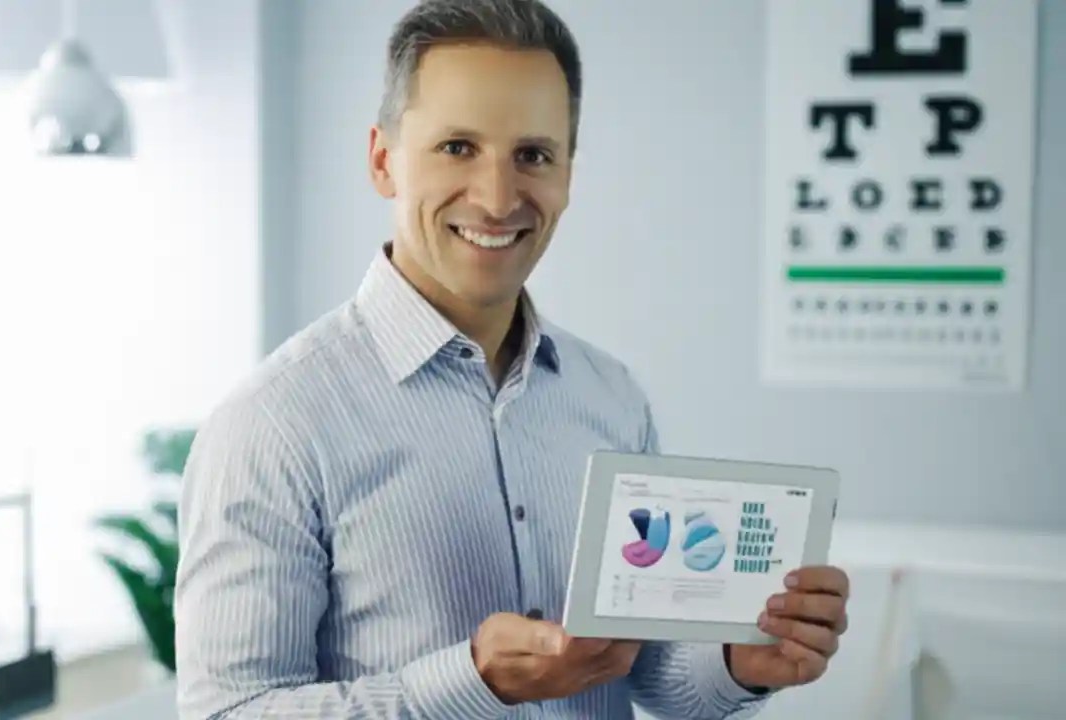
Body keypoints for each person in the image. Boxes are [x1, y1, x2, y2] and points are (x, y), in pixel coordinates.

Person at [174, 1, 850, 718]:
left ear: (567, 174)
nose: (498, 199)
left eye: (533, 155)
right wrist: (474, 684)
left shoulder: (612, 398)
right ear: (383, 160)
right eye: (457, 147)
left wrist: (739, 666)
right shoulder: (271, 425)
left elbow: (647, 674)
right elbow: (228, 713)